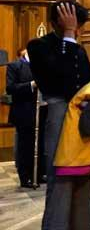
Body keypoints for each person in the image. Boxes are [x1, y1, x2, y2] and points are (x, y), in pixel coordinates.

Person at [27, 0, 90, 230]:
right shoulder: (38, 46)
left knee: (84, 175)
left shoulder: (76, 47)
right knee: (61, 179)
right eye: (74, 23)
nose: (77, 28)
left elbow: (87, 81)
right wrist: (68, 35)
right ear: (58, 20)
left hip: (80, 117)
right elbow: (60, 79)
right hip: (58, 114)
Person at [6, 48, 45, 189]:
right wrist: (31, 85)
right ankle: (26, 177)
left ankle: (39, 173)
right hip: (23, 112)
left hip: (41, 111)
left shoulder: (41, 66)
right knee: (25, 146)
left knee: (40, 144)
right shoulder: (14, 66)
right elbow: (10, 88)